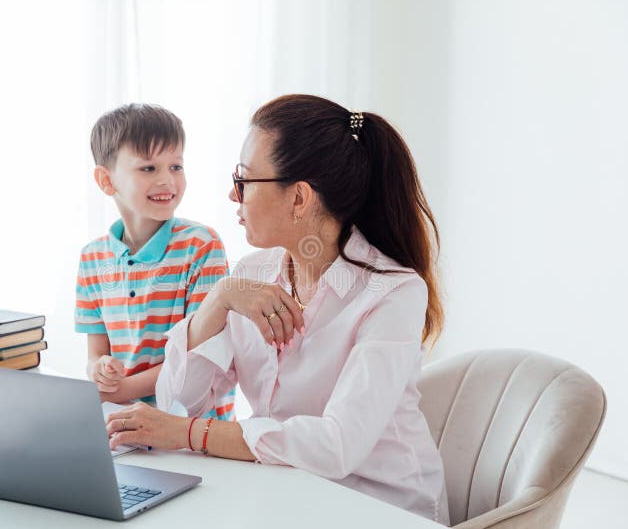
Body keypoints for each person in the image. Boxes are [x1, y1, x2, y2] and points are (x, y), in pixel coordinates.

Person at [104, 94, 449, 524]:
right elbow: (179, 402)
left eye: (244, 180)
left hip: (382, 509)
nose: (233, 194)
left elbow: (336, 445)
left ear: (299, 198)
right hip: (287, 494)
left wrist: (192, 435)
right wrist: (218, 302)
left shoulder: (392, 293)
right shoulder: (253, 274)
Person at [75, 103, 235, 421]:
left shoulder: (201, 246)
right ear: (107, 181)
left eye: (176, 166)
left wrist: (121, 390)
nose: (167, 181)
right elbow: (96, 354)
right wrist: (102, 371)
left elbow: (196, 359)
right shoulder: (92, 258)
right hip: (121, 425)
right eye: (149, 168)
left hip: (191, 428)